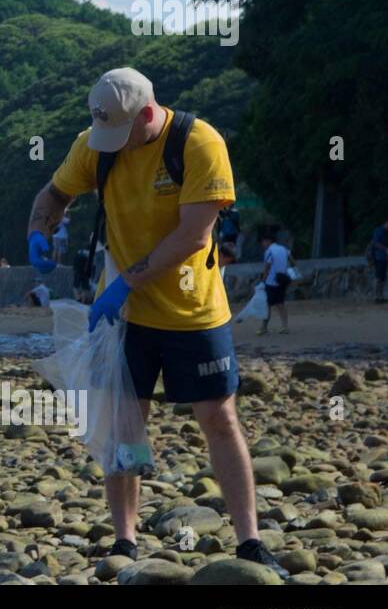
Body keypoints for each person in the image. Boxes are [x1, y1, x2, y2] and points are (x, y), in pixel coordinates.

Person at [26, 66, 287, 578]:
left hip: (194, 313)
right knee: (126, 424)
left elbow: (194, 233)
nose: (113, 146)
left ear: (148, 113)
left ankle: (250, 542)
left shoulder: (198, 143)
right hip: (124, 320)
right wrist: (38, 229)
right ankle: (125, 539)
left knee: (219, 418)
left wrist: (127, 280)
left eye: (121, 134)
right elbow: (53, 194)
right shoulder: (95, 145)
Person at [258, 231, 292, 335]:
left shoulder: (269, 251)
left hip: (271, 282)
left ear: (267, 241)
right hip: (282, 280)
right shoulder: (283, 249)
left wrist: (263, 281)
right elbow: (293, 261)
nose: (262, 244)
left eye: (263, 242)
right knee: (281, 304)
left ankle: (264, 327)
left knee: (267, 305)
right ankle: (285, 326)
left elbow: (267, 267)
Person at [371, 216, 388, 303]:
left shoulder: (386, 232)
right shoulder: (379, 231)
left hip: (384, 257)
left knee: (382, 278)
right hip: (379, 257)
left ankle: (380, 296)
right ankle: (375, 297)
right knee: (378, 277)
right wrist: (385, 249)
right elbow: (375, 243)